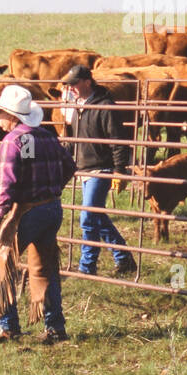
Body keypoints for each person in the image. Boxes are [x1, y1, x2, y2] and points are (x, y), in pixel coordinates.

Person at [0, 84, 76, 344]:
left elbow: (7, 186)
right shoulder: (46, 136)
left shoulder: (13, 141)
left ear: (12, 115)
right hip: (52, 209)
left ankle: (7, 325)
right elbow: (70, 165)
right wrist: (51, 186)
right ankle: (55, 326)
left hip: (28, 212)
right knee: (44, 267)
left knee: (0, 264)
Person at [59, 64, 136, 276]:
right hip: (84, 168)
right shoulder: (78, 107)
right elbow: (75, 139)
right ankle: (124, 257)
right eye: (69, 84)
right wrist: (61, 154)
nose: (71, 88)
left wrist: (120, 170)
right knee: (97, 217)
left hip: (101, 169)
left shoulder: (105, 106)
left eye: (74, 84)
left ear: (87, 82)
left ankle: (87, 267)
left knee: (88, 218)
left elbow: (118, 140)